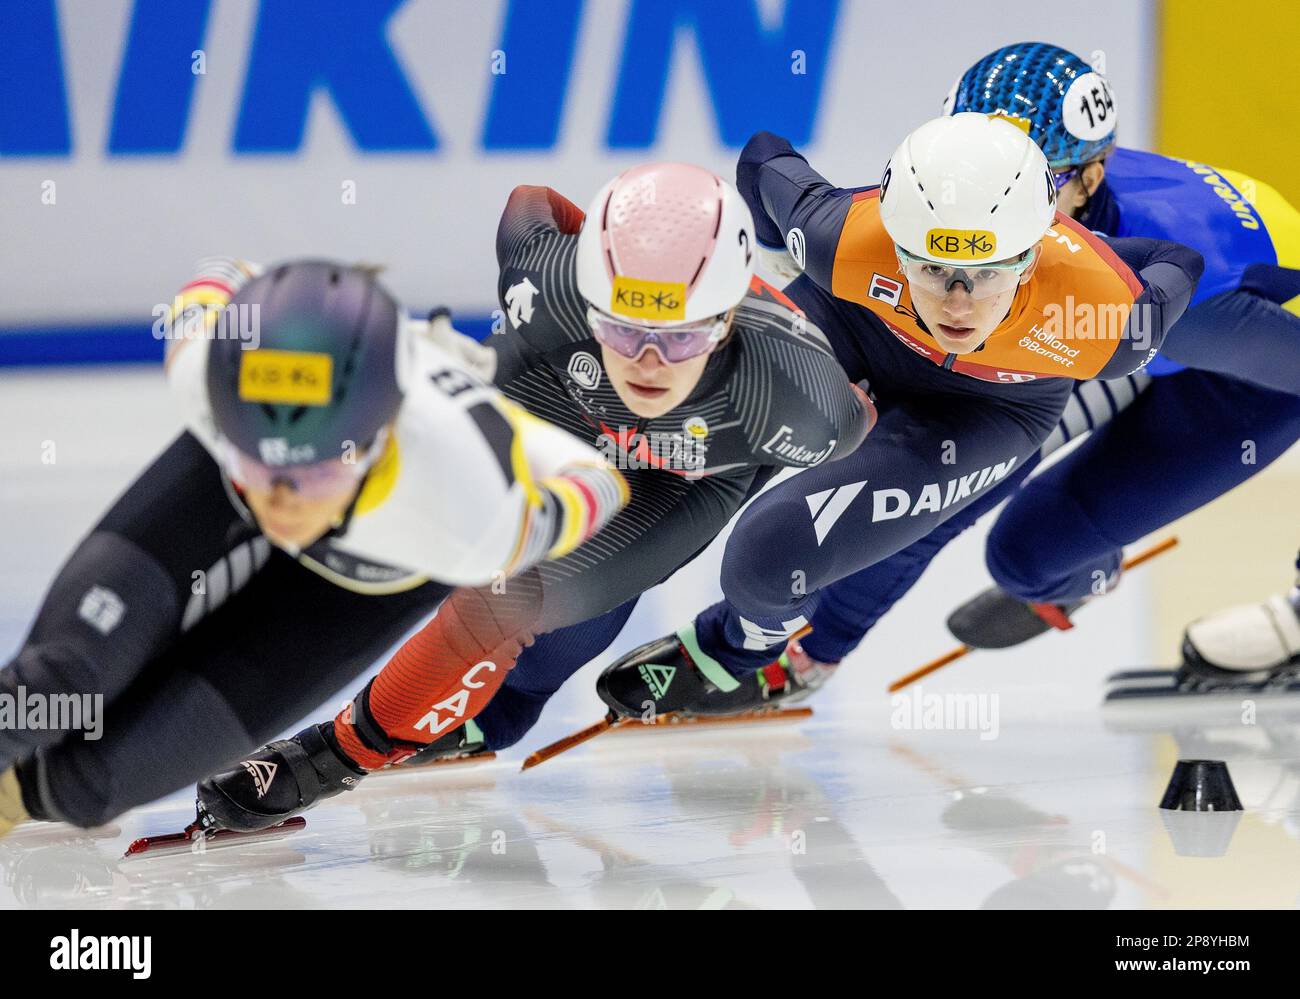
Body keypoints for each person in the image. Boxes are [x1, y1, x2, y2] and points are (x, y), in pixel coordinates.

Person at [193, 163, 875, 833]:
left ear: (726, 322)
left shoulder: (804, 404)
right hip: (557, 406)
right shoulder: (546, 277)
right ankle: (465, 706)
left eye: (682, 337)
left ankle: (334, 755)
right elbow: (533, 203)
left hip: (686, 474)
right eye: (622, 326)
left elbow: (852, 451)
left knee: (523, 600)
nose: (648, 361)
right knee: (385, 518)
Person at [731, 42, 1300, 701]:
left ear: (1091, 179)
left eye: (1034, 178)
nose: (983, 199)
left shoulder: (1175, 289)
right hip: (1130, 336)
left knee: (1024, 555)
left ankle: (1069, 577)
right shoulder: (987, 210)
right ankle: (824, 647)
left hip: (1250, 374)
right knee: (973, 495)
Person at [591, 111, 1204, 718]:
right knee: (658, 454)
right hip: (856, 329)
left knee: (769, 554)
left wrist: (1097, 253)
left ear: (1029, 257)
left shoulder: (1110, 327)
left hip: (989, 409)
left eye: (986, 274)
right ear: (897, 244)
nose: (956, 304)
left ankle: (731, 651)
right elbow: (761, 152)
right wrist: (784, 261)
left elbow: (1179, 257)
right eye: (932, 268)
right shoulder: (842, 239)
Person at [0, 258, 629, 840]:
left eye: (317, 474)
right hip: (226, 492)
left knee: (94, 784)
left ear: (380, 440)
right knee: (53, 685)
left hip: (375, 570)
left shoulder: (469, 516)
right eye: (257, 462)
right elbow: (222, 275)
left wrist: (499, 418)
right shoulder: (203, 370)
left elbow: (600, 484)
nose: (283, 503)